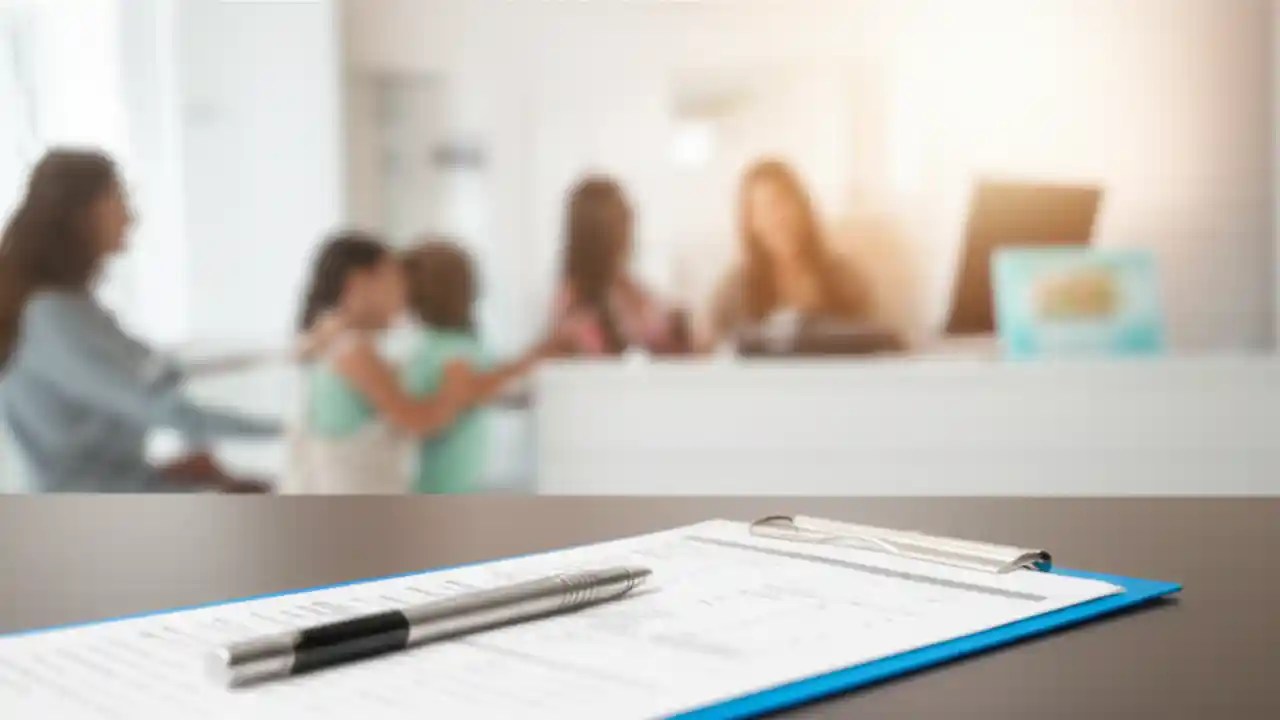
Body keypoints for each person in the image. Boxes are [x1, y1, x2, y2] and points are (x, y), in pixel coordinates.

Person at [0, 150, 276, 492]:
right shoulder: (52, 318)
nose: (131, 217)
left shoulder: (74, 309)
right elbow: (164, 408)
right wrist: (287, 431)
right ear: (82, 214)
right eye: (119, 199)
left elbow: (160, 370)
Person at [288, 231, 472, 494]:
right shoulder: (352, 351)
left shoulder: (327, 343)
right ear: (359, 282)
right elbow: (418, 420)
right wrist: (457, 386)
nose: (406, 293)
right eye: (395, 279)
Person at [400, 241, 567, 493]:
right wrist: (532, 356)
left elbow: (493, 392)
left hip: (462, 480)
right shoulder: (444, 349)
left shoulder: (462, 345)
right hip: (446, 485)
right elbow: (469, 392)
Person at [706, 159, 874, 346]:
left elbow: (866, 350)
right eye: (764, 209)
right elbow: (722, 357)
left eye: (783, 203)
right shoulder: (733, 292)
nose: (778, 218)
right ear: (751, 223)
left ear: (803, 208)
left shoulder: (844, 280)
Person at [552, 176, 678, 356]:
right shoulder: (572, 302)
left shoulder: (633, 291)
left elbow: (662, 335)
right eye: (621, 225)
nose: (629, 237)